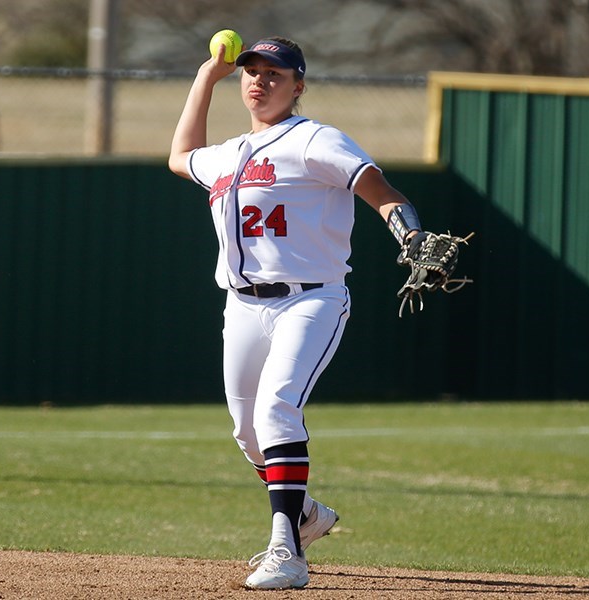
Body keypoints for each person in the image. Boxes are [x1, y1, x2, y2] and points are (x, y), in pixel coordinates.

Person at [168, 36, 431, 590]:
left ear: (298, 86)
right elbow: (179, 156)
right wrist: (206, 76)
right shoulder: (228, 154)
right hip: (242, 304)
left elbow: (379, 189)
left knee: (277, 410)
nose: (260, 81)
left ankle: (285, 552)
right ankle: (307, 514)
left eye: (275, 73)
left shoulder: (315, 140)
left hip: (309, 299)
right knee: (248, 433)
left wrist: (410, 234)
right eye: (252, 72)